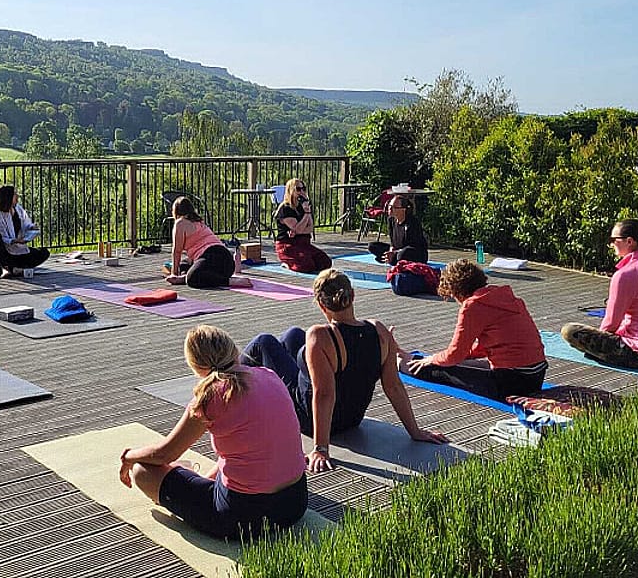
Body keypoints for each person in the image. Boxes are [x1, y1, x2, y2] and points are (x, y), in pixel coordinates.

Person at [241, 269, 447, 473]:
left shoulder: (320, 335)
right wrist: (415, 431)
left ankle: (226, 377)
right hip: (352, 418)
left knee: (264, 342)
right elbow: (393, 387)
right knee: (293, 335)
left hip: (312, 420)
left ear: (322, 304)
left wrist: (321, 448)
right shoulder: (379, 330)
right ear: (353, 296)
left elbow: (324, 394)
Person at [119, 325, 307, 540]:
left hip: (243, 518)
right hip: (295, 504)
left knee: (143, 471)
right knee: (246, 447)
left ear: (196, 366)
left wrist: (128, 457)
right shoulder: (269, 375)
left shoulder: (209, 397)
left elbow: (165, 454)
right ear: (234, 350)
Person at [397, 260, 547, 401]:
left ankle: (403, 364)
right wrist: (454, 357)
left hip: (511, 383)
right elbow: (485, 346)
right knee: (454, 362)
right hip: (536, 376)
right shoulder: (504, 296)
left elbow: (454, 355)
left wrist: (433, 359)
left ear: (458, 292)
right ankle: (415, 360)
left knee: (444, 370)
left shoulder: (473, 305)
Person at [561, 219, 638, 371]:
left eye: (614, 240)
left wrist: (601, 341)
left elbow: (610, 325)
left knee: (570, 331)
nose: (611, 244)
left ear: (629, 241)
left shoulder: (625, 274)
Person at [165, 196, 241, 288]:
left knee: (192, 278)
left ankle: (228, 281)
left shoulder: (180, 223)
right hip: (227, 262)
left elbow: (177, 251)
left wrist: (174, 273)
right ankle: (184, 276)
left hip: (211, 256)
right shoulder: (198, 221)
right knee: (184, 264)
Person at [0, 185, 50, 276]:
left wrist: (32, 228)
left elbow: (26, 223)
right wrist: (14, 241)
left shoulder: (18, 209)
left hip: (18, 249)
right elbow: (2, 237)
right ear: (8, 197)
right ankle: (5, 268)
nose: (17, 196)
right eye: (14, 194)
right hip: (4, 250)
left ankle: (17, 268)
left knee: (43, 253)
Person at [274, 178, 332, 274]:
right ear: (291, 190)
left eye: (303, 189)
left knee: (325, 262)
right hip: (288, 245)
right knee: (306, 266)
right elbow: (298, 229)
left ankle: (298, 261)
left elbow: (309, 228)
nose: (301, 192)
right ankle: (287, 263)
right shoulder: (285, 208)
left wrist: (307, 212)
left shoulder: (303, 206)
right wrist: (306, 214)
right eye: (298, 189)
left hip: (304, 243)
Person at [370, 195, 429, 264]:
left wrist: (395, 252)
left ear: (403, 209)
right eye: (390, 206)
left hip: (414, 252)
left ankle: (392, 259)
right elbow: (392, 240)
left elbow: (414, 245)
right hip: (398, 249)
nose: (390, 209)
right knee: (372, 246)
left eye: (394, 207)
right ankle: (390, 258)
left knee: (402, 254)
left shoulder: (412, 222)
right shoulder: (391, 220)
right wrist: (391, 250)